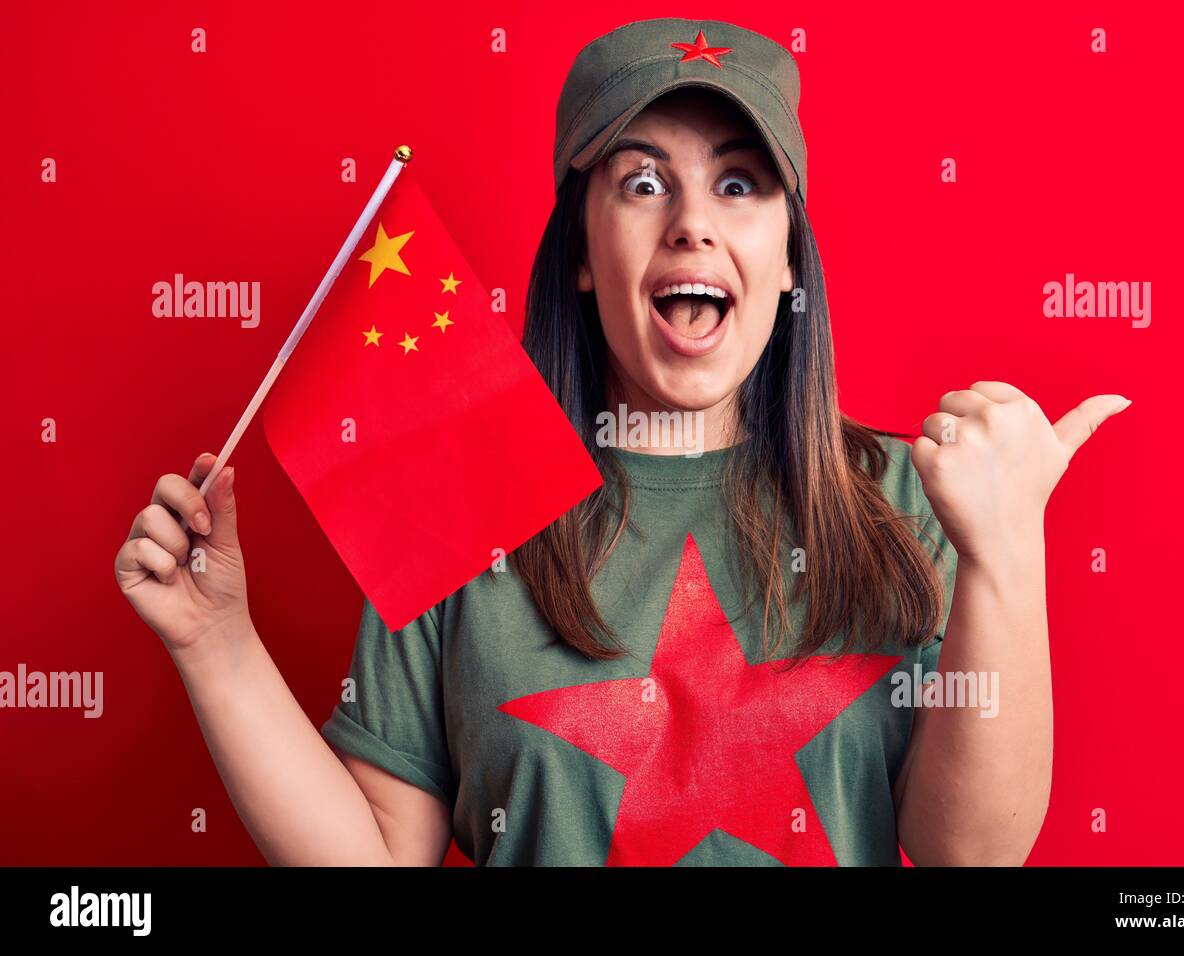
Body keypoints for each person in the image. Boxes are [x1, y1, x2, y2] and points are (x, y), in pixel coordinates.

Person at [115, 17, 1128, 866]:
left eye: (739, 185)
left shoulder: (908, 498)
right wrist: (220, 647)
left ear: (786, 257)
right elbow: (380, 853)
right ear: (584, 255)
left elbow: (971, 851)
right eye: (642, 183)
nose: (692, 222)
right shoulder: (465, 498)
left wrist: (1006, 555)